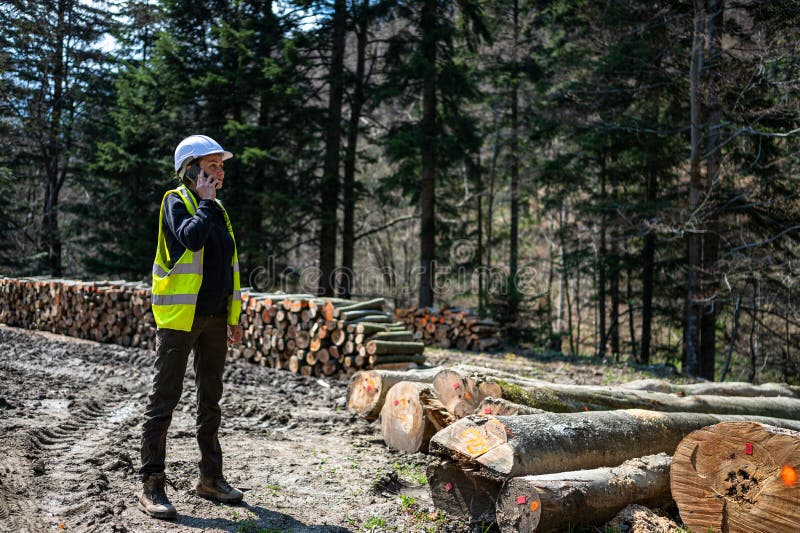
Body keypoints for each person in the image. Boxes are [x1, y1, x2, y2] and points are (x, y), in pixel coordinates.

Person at [138, 135, 244, 519]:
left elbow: (228, 267)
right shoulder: (176, 202)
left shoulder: (218, 209)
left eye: (221, 166)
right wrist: (204, 202)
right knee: (163, 400)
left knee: (210, 400)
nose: (221, 171)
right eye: (213, 165)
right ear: (192, 169)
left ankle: (211, 479)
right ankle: (152, 485)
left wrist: (233, 317)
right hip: (180, 320)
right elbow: (190, 240)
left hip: (215, 319)